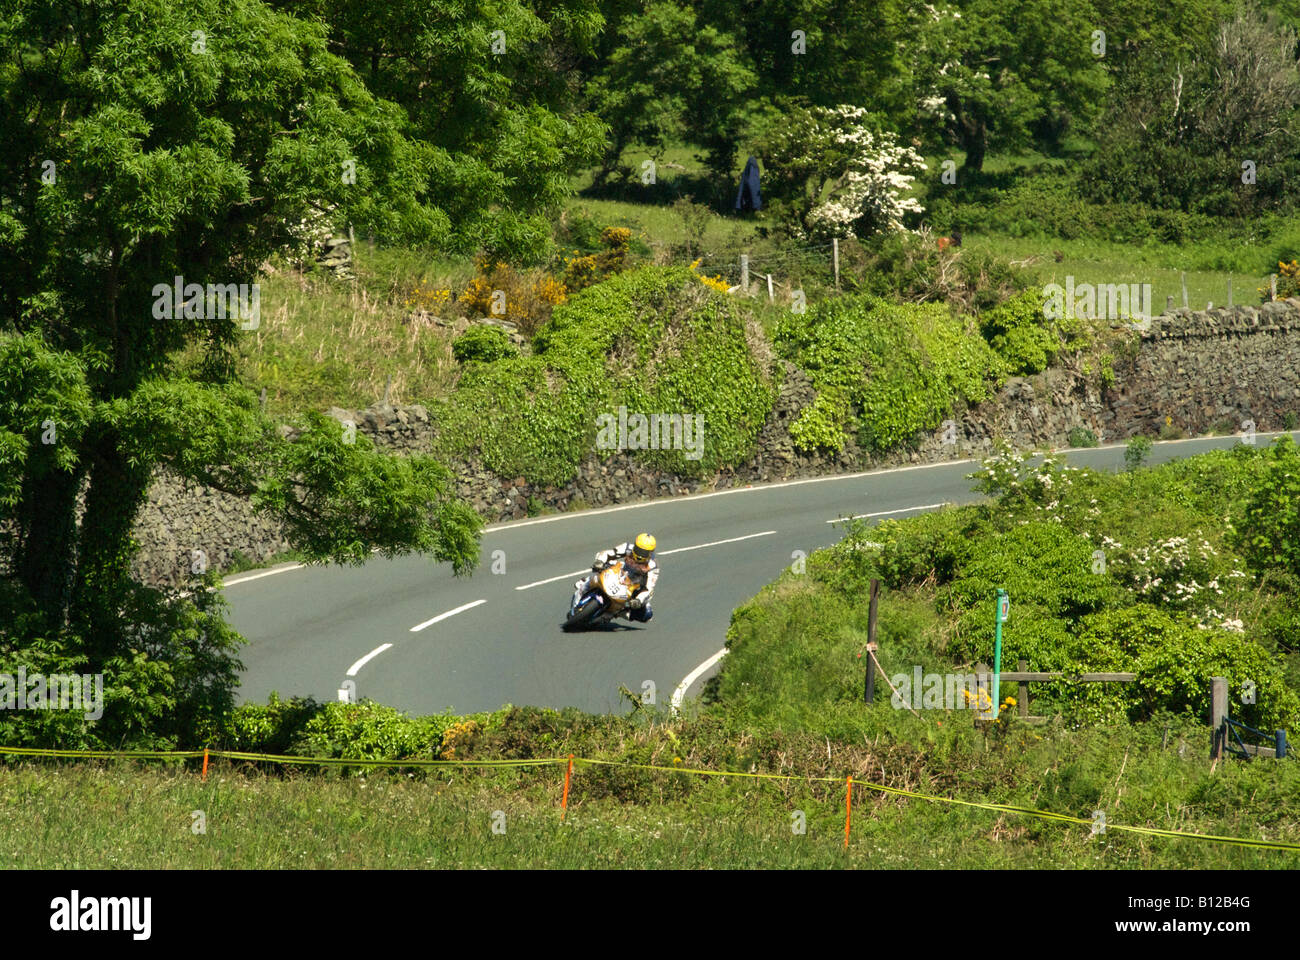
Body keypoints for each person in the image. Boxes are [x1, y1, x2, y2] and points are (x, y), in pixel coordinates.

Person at [571, 533, 658, 622]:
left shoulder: (652, 567)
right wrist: (600, 561)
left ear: (650, 553)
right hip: (619, 571)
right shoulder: (627, 547)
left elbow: (649, 589)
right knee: (600, 568)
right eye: (638, 550)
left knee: (647, 615)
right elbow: (608, 553)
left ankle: (618, 612)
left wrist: (639, 600)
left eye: (644, 552)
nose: (640, 555)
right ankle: (586, 582)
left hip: (633, 585)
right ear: (635, 546)